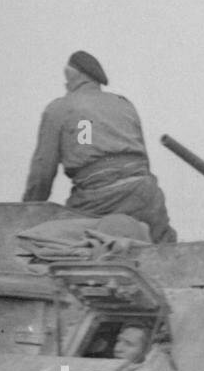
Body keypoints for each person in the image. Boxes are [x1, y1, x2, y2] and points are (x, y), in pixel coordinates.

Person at [22, 51, 177, 243]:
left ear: (72, 75)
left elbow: (42, 173)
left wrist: (25, 213)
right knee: (165, 250)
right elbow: (143, 160)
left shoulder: (59, 109)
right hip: (146, 195)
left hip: (97, 200)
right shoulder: (124, 105)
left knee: (49, 242)